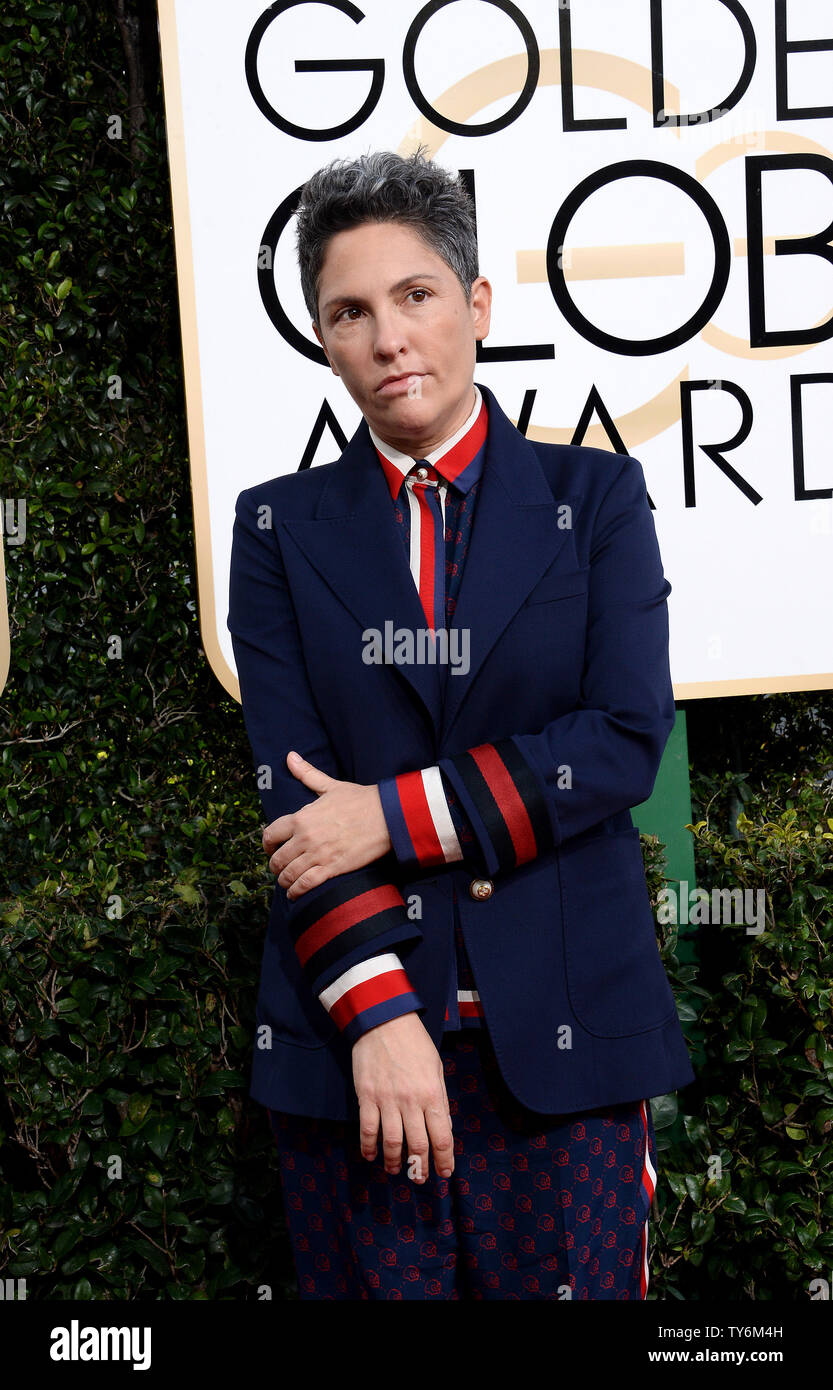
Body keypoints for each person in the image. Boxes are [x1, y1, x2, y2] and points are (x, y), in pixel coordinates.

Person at [226, 147, 695, 1301]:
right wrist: (379, 1016)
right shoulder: (277, 528)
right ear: (324, 340)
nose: (387, 338)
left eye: (414, 296)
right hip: (355, 1054)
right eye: (349, 311)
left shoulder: (594, 499)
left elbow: (622, 739)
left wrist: (390, 813)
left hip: (568, 1041)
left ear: (476, 306)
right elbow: (297, 803)